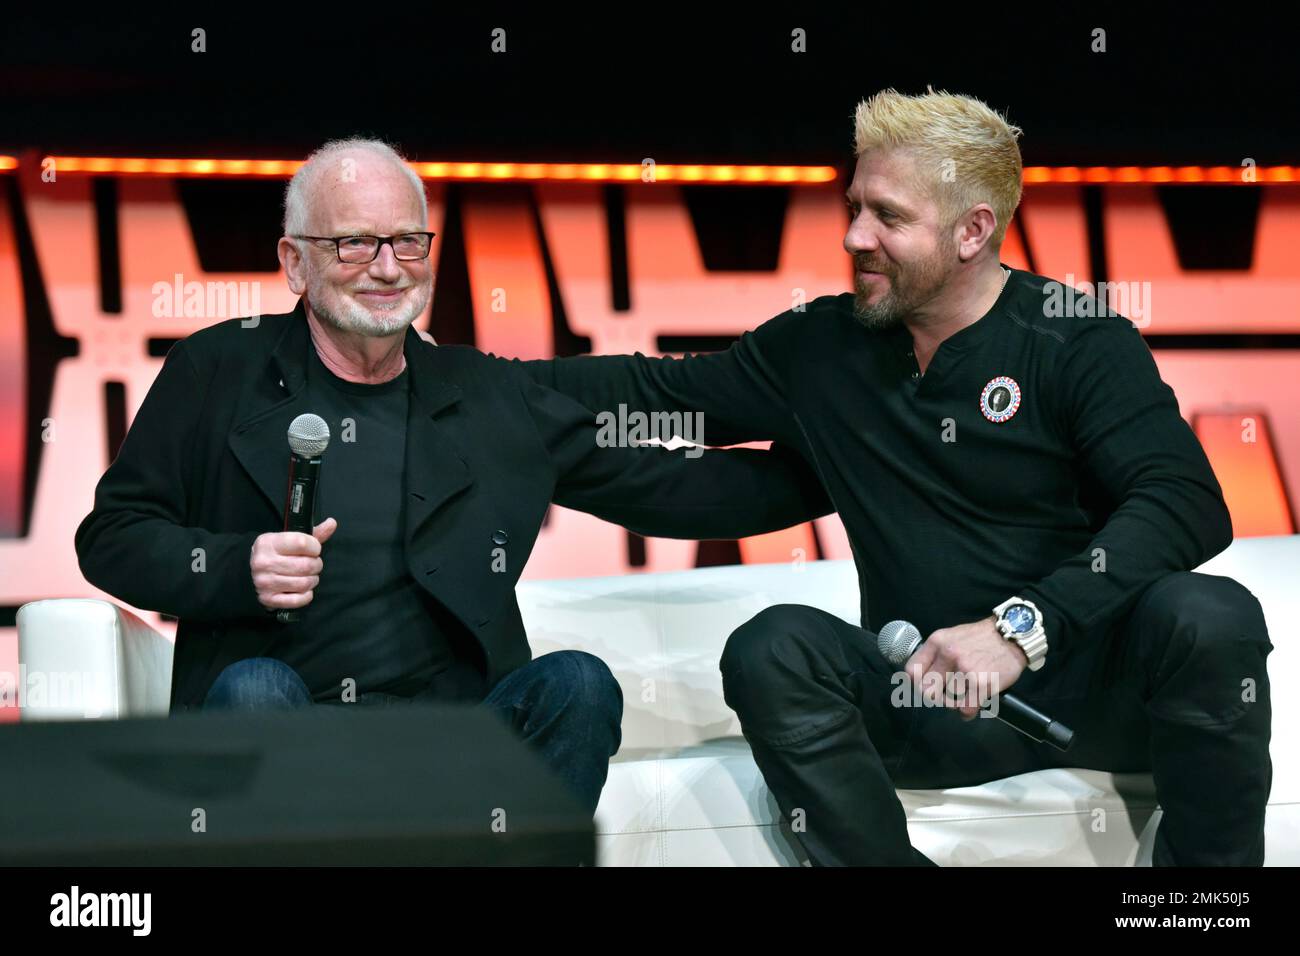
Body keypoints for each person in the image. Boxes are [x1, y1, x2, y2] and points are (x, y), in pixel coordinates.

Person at [521, 88, 1274, 864]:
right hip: (923, 700)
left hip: (1088, 697)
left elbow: (1184, 500)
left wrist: (1022, 629)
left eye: (888, 216)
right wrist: (464, 382)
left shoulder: (1075, 340)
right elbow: (655, 394)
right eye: (854, 207)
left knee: (1208, 613)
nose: (855, 236)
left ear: (973, 231)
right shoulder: (823, 348)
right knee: (773, 646)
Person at [74, 138, 830, 818]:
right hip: (286, 730)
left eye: (407, 240)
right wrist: (238, 566)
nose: (386, 266)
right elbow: (111, 538)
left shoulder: (487, 397)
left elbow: (670, 488)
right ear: (294, 261)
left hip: (456, 739)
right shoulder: (217, 370)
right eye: (354, 244)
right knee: (251, 690)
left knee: (577, 683)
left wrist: (846, 474)